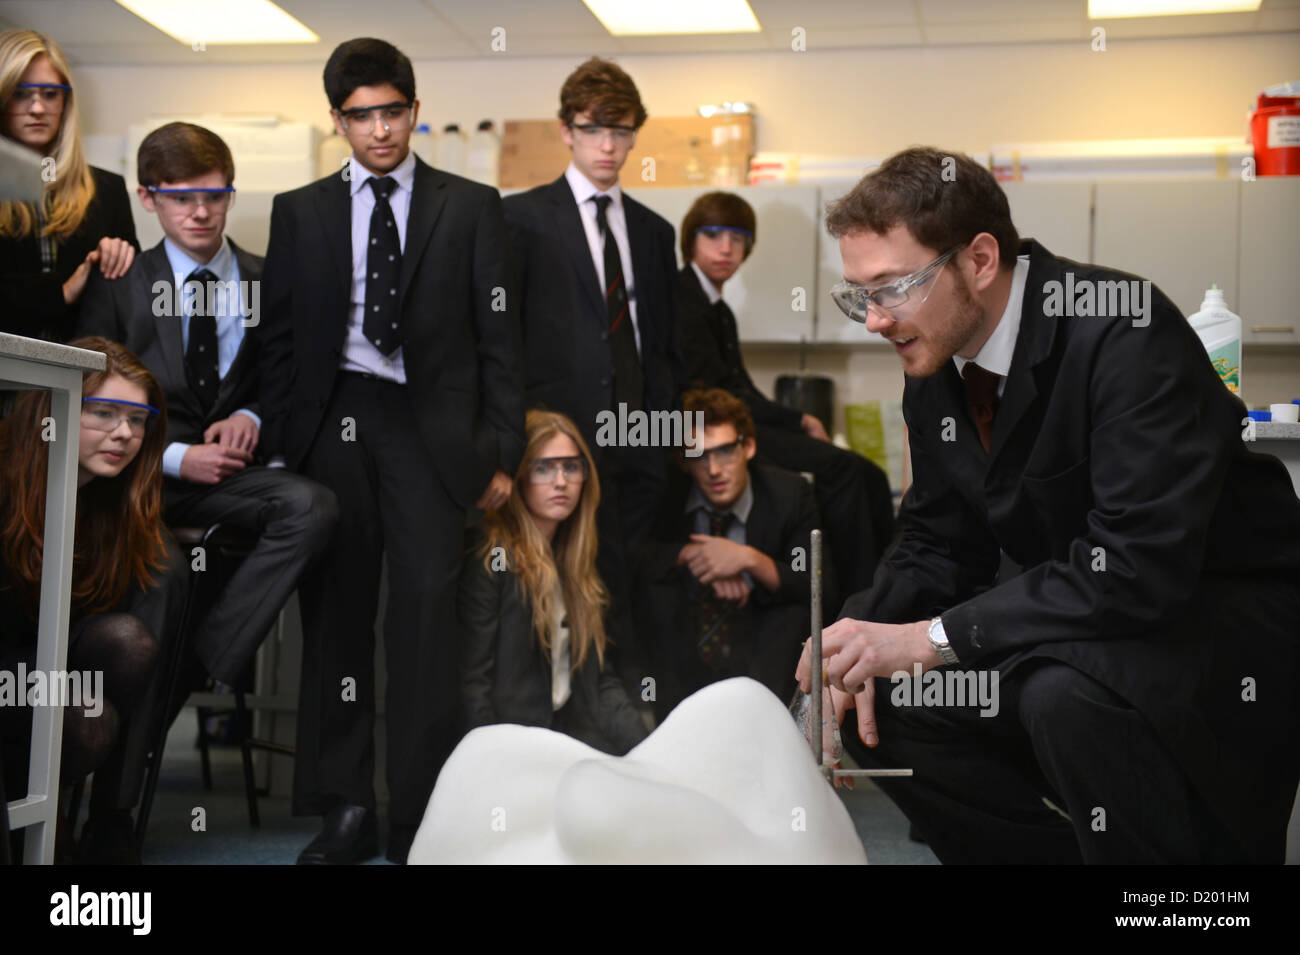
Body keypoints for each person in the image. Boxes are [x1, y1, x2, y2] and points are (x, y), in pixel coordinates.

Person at [796, 147, 1300, 864]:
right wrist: (855, 637)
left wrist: (927, 638)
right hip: (1085, 619)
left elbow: (1134, 565)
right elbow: (938, 538)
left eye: (892, 287)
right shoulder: (935, 358)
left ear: (978, 258)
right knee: (896, 705)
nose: (874, 319)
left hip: (1212, 617)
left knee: (1060, 696)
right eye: (859, 295)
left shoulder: (1121, 330)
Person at [259, 37, 524, 865]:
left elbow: (500, 340)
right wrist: (282, 445)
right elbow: (279, 340)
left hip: (430, 430)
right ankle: (345, 810)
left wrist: (500, 453)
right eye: (361, 115)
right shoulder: (299, 210)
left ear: (414, 109)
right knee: (337, 621)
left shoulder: (472, 204)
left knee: (421, 624)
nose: (379, 128)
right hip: (333, 421)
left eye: (393, 111)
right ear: (337, 121)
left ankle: (418, 813)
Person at [75, 121, 337, 699]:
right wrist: (173, 456)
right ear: (148, 199)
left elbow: (289, 378)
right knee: (163, 577)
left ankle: (204, 664)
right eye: (181, 198)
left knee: (313, 506)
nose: (200, 212)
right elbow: (90, 404)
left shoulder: (268, 280)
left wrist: (255, 416)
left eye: (215, 196)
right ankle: (124, 780)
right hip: (138, 480)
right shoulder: (119, 283)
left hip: (227, 478)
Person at [503, 56, 682, 691]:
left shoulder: (655, 233)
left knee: (629, 587)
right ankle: (571, 719)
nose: (609, 146)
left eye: (623, 131)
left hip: (640, 440)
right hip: (559, 439)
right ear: (566, 131)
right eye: (594, 130)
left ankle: (628, 717)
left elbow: (661, 344)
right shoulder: (519, 220)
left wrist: (663, 435)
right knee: (561, 591)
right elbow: (505, 340)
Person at [678, 191, 894, 600]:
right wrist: (797, 420)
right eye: (713, 235)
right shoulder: (682, 297)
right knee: (846, 472)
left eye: (737, 238)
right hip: (708, 432)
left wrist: (798, 420)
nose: (726, 248)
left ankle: (883, 595)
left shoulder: (717, 308)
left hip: (734, 420)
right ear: (691, 240)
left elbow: (739, 388)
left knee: (870, 475)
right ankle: (858, 601)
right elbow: (721, 393)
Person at [1, 336, 168, 863]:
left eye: (137, 419)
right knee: (78, 719)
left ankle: (55, 811)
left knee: (126, 645)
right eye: (104, 413)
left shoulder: (112, 498)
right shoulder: (8, 481)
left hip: (43, 667)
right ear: (53, 409)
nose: (124, 433)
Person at [459, 409, 648, 756]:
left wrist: (652, 754)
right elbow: (473, 684)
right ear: (518, 477)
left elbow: (599, 683)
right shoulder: (491, 555)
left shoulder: (576, 561)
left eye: (571, 467)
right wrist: (487, 766)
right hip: (509, 750)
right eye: (543, 467)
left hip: (565, 741)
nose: (560, 481)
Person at [640, 389, 826, 719]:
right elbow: (634, 558)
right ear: (684, 460)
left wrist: (747, 560)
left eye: (725, 451)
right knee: (658, 593)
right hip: (686, 647)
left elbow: (817, 586)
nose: (714, 469)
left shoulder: (789, 495)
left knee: (793, 611)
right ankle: (669, 724)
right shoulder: (666, 491)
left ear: (748, 447)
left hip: (761, 643)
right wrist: (690, 554)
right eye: (700, 454)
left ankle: (768, 722)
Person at [0, 30, 137, 342]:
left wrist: (119, 256)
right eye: (21, 93)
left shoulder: (108, 190)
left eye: (50, 94)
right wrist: (61, 292)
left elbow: (127, 305)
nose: (37, 108)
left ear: (66, 101)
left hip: (83, 379)